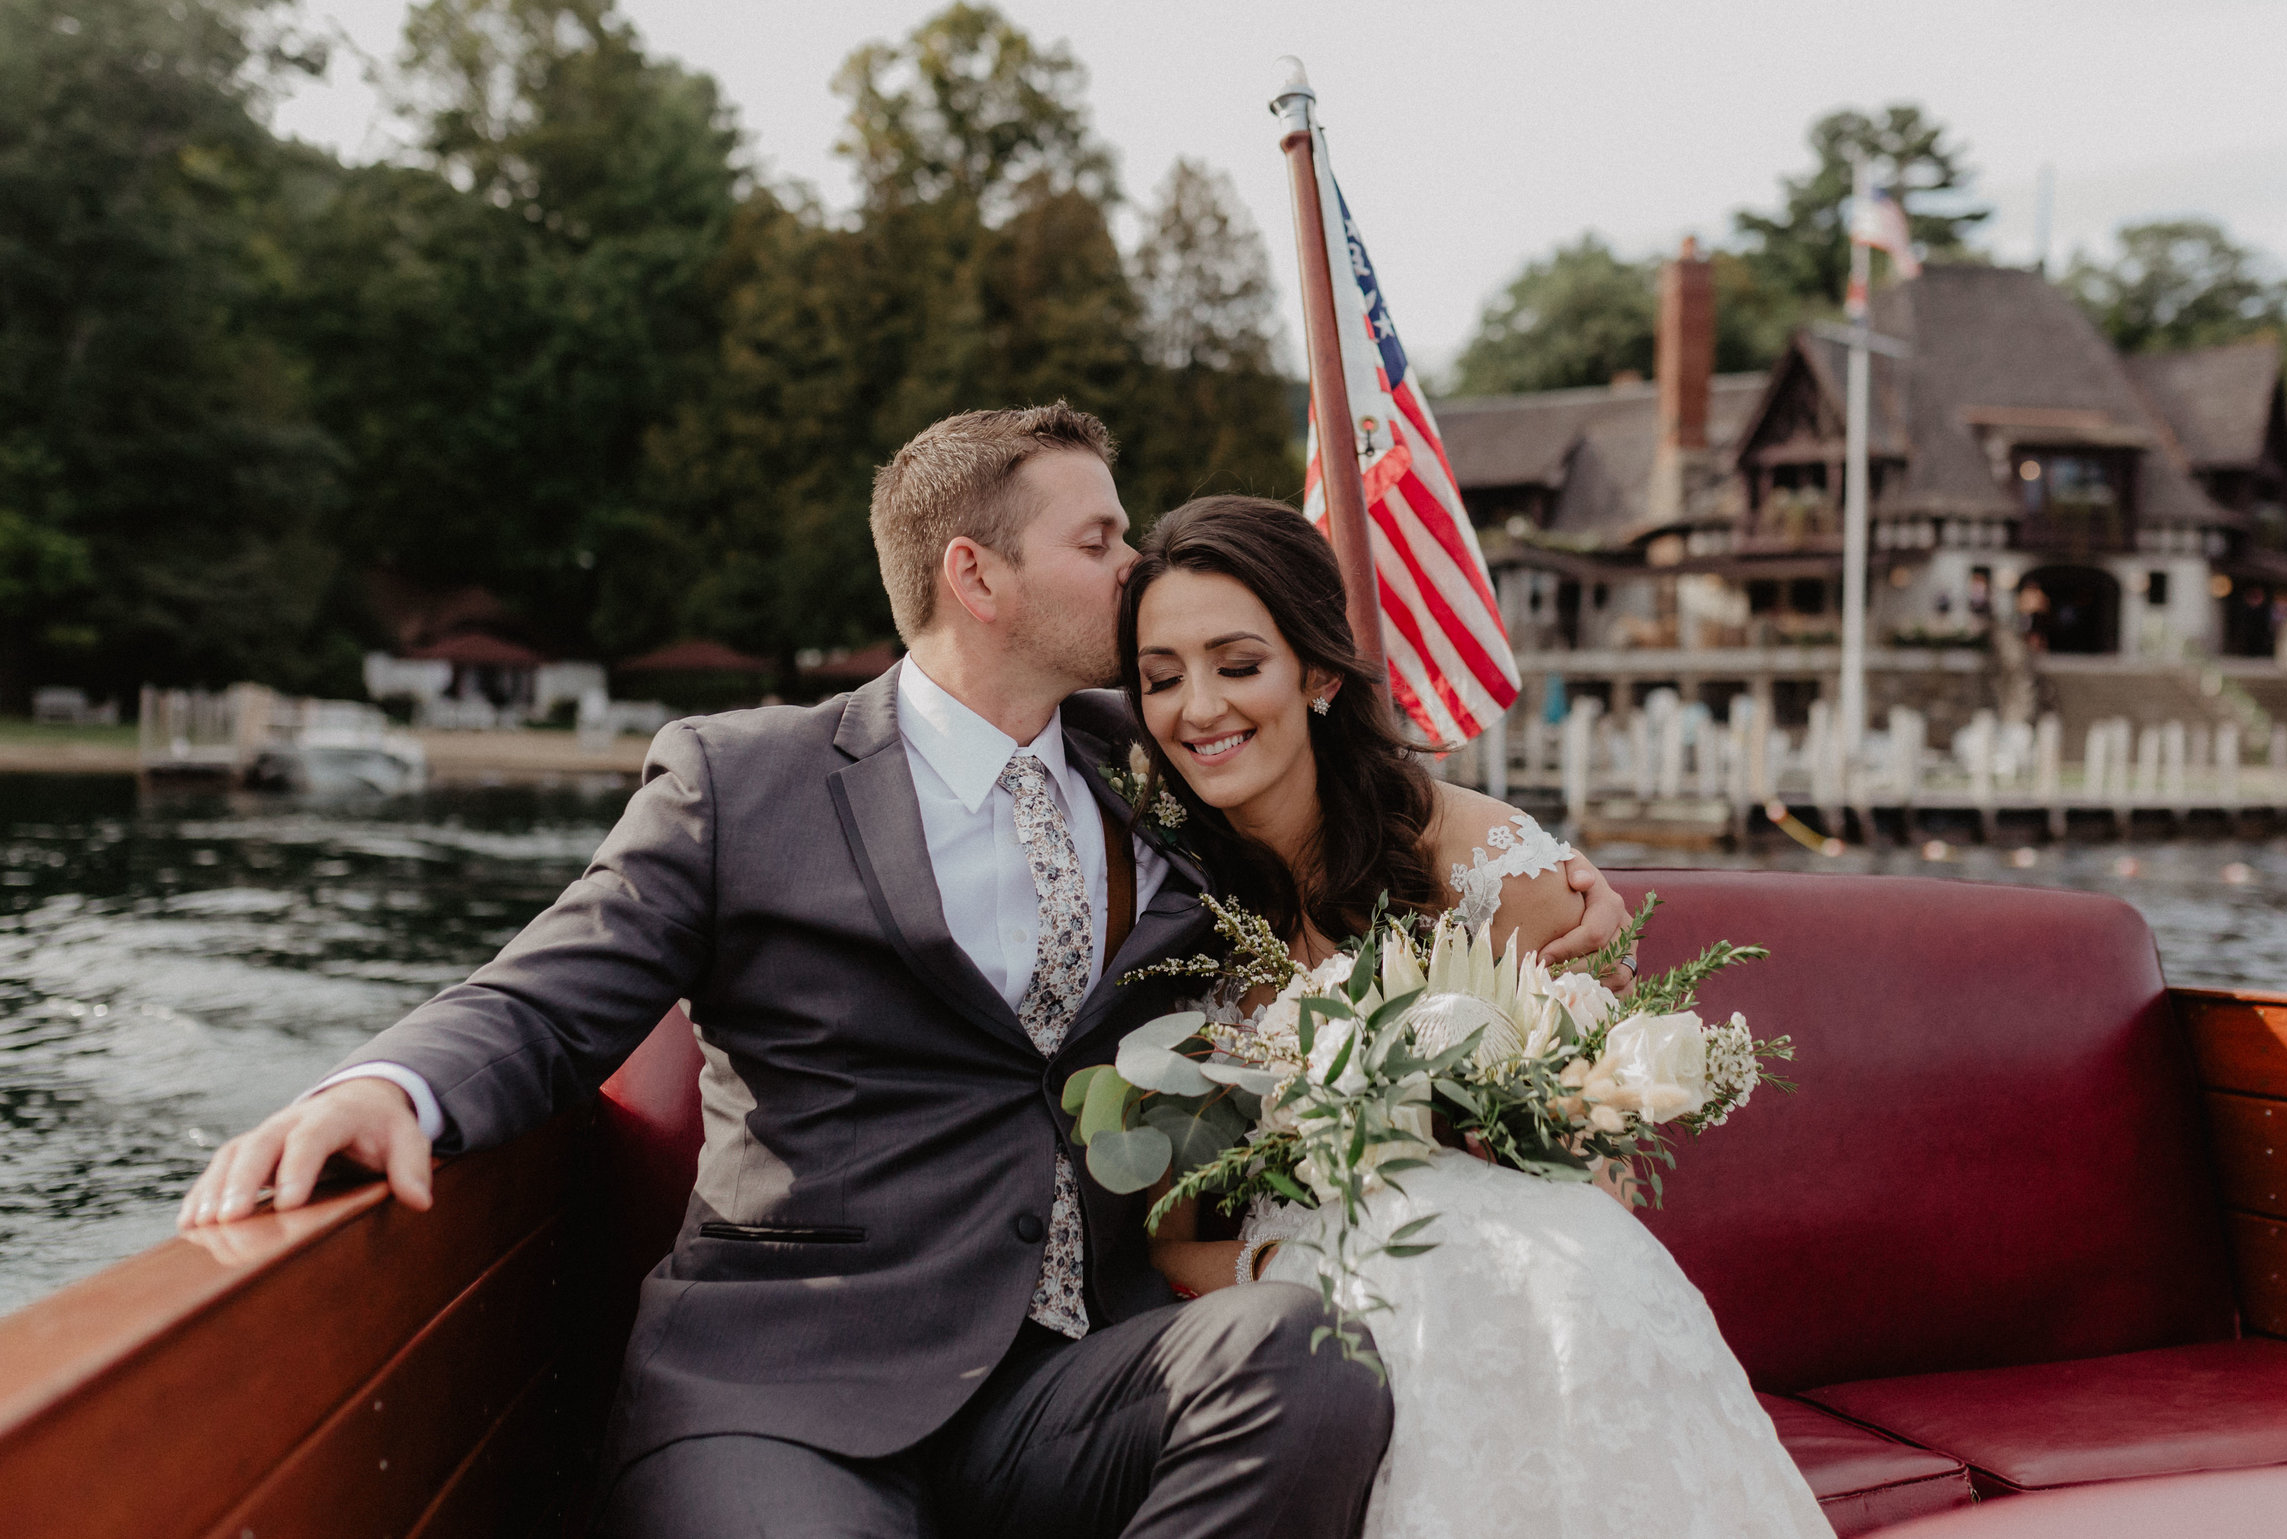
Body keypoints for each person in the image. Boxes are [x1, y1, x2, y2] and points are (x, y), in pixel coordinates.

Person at [177, 404, 1636, 1538]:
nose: (1137, 568)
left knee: (1309, 1351)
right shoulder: (744, 779)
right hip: (783, 1389)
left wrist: (1544, 890)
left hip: (1076, 1381)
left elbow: (1348, 822)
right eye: (1101, 539)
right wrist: (393, 1084)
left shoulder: (1158, 767)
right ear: (975, 572)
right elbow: (551, 988)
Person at [1117, 494, 1833, 1539]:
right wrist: (1317, 1260)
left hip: (1521, 1291)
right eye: (1160, 676)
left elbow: (1604, 1170)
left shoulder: (1485, 866)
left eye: (1237, 664)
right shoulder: (1159, 894)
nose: (1198, 707)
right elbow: (1167, 1233)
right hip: (1290, 1310)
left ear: (1319, 673)